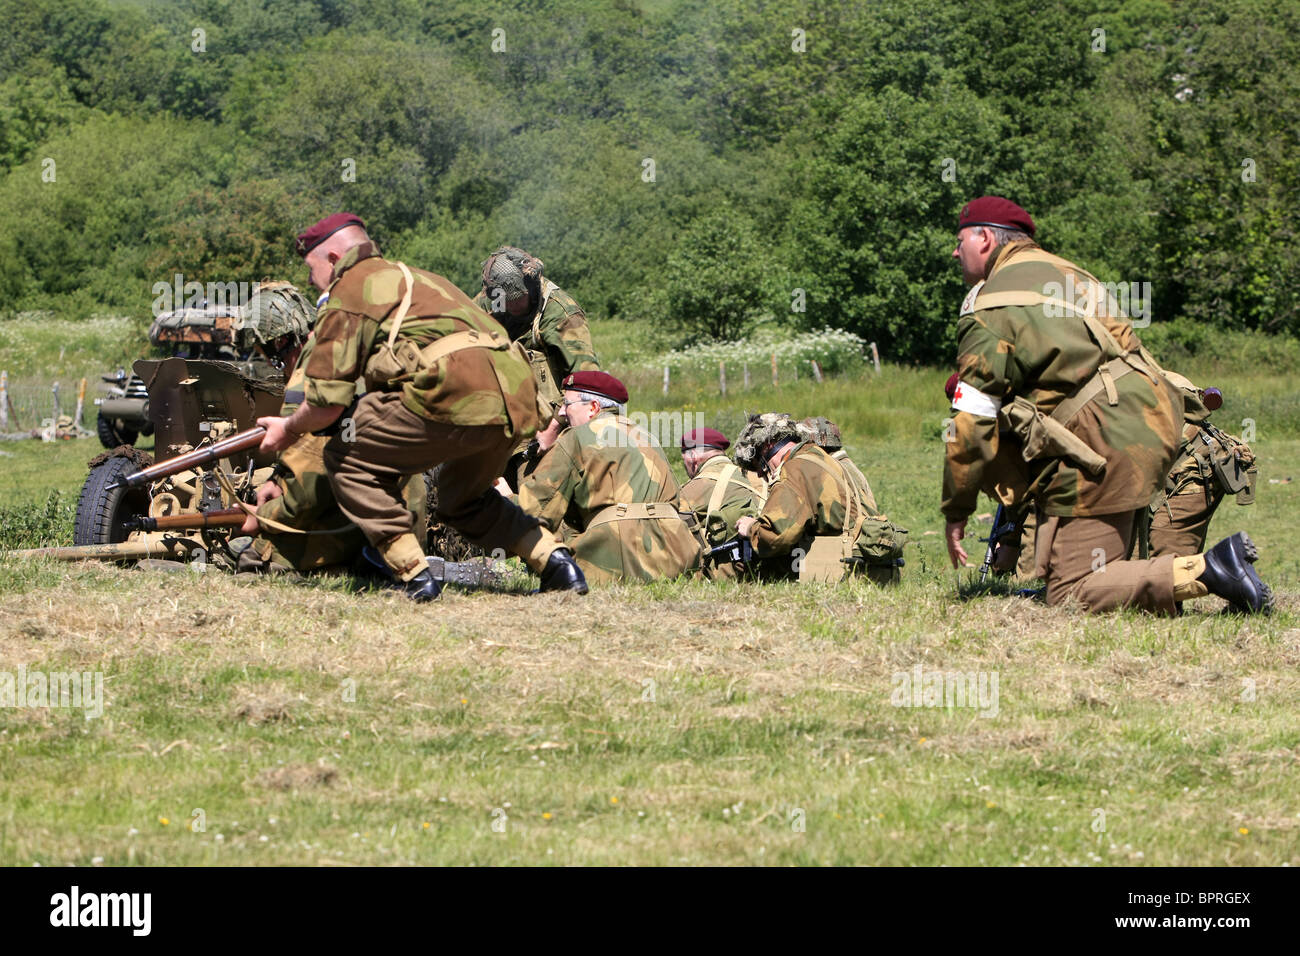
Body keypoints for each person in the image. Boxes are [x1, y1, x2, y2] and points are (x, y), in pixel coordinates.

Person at [942, 195, 1271, 613]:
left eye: (960, 240)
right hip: (1155, 418)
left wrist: (957, 509)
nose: (956, 251)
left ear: (985, 238)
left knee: (1072, 591)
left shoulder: (990, 303)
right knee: (1100, 565)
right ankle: (1197, 578)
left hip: (1103, 436)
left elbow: (972, 415)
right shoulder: (1072, 275)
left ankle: (1212, 569)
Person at [254, 212, 586, 601]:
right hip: (516, 399)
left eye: (310, 270)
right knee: (463, 501)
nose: (311, 281)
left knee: (347, 456)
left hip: (455, 394)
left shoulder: (351, 291)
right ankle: (556, 563)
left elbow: (326, 405)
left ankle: (413, 575)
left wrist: (287, 429)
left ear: (331, 258)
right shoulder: (423, 279)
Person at [517, 371, 703, 584]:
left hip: (614, 560)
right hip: (675, 558)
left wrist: (502, 500)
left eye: (567, 404)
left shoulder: (576, 437)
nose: (562, 412)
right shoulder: (648, 436)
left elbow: (537, 509)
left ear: (593, 408)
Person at [734, 413, 907, 585]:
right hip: (869, 565)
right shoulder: (818, 456)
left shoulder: (794, 469)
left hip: (842, 573)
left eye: (756, 462)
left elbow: (779, 534)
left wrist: (751, 528)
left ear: (767, 446)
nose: (758, 473)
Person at [474, 246, 601, 478]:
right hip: (494, 429)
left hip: (542, 434)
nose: (509, 307)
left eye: (516, 300)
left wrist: (552, 428)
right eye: (503, 300)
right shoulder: (494, 298)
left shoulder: (560, 314)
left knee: (531, 503)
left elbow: (588, 384)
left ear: (530, 288)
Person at [677, 427, 774, 580]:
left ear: (693, 456)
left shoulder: (698, 485)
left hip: (729, 577)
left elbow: (667, 524)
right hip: (772, 571)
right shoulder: (757, 476)